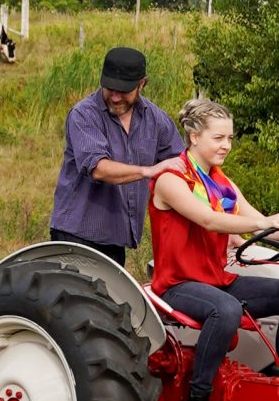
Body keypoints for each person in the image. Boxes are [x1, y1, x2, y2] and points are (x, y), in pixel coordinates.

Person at [149, 95, 279, 401]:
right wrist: (263, 221)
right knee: (224, 309)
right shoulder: (171, 179)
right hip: (178, 284)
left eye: (230, 138)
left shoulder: (221, 183)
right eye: (219, 138)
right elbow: (209, 219)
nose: (226, 145)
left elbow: (267, 228)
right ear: (194, 136)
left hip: (217, 279)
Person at [47, 44, 184, 265]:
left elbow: (183, 164)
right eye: (110, 88)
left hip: (115, 240)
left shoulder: (156, 119)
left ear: (142, 84)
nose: (116, 98)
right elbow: (98, 168)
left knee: (108, 300)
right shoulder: (84, 115)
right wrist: (148, 170)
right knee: (77, 300)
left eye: (124, 91)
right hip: (76, 236)